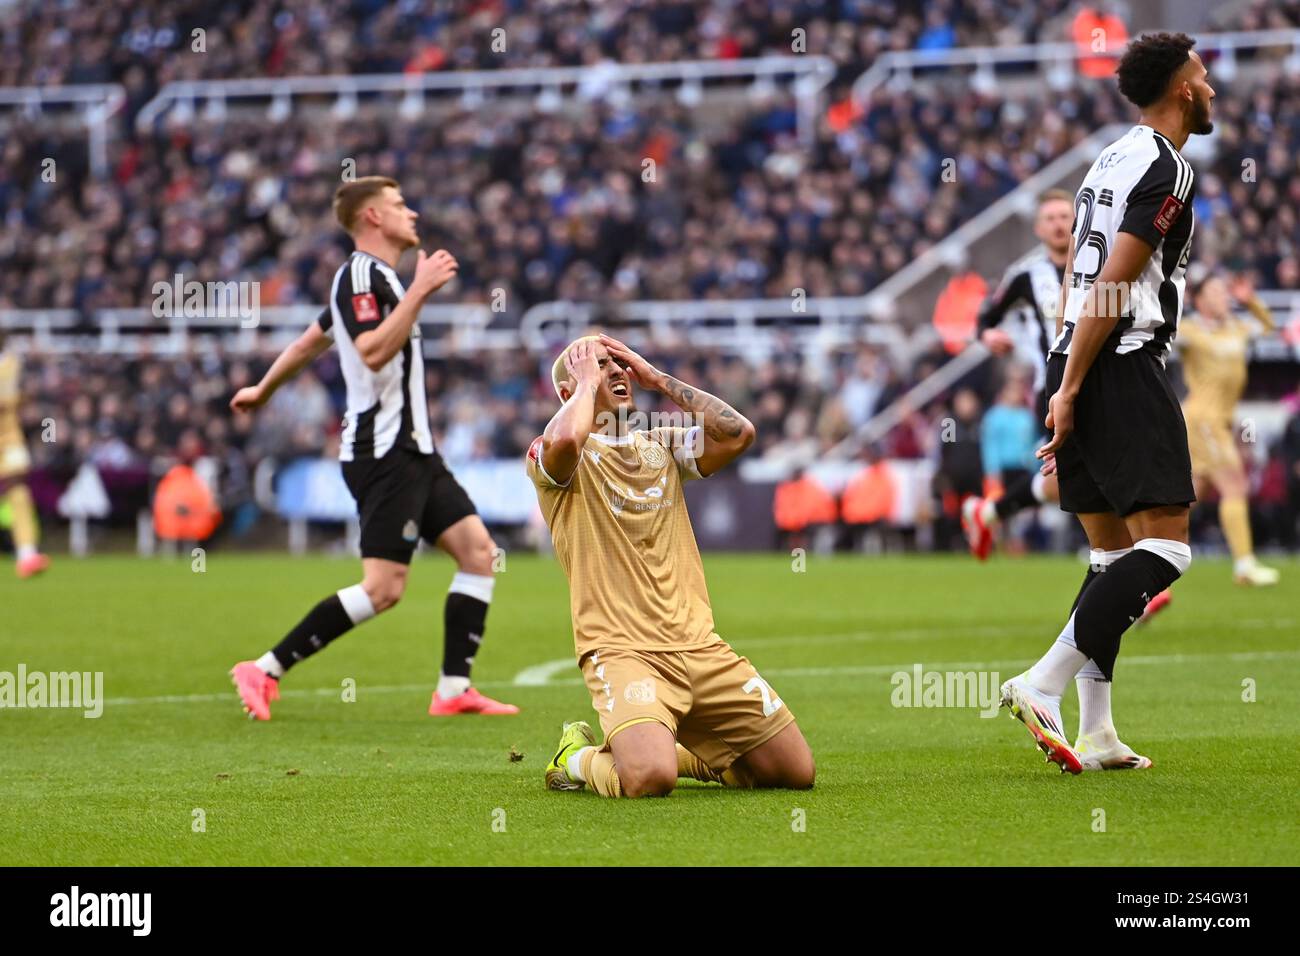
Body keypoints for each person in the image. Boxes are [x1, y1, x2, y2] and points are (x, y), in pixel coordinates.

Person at [1000, 32, 1213, 773]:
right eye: (1204, 75)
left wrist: (1061, 371)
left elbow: (1075, 278)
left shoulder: (1108, 157)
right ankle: (1041, 681)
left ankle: (1096, 732)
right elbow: (1117, 282)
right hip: (1118, 360)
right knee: (1168, 547)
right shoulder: (1169, 167)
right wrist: (1074, 382)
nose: (1212, 86)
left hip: (1076, 356)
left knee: (1108, 555)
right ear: (1182, 88)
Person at [228, 176, 517, 720]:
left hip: (416, 451)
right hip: (382, 452)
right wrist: (420, 291)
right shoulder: (360, 275)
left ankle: (454, 689)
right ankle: (263, 668)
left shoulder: (375, 279)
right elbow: (371, 352)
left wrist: (263, 389)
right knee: (384, 589)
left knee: (478, 554)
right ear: (373, 218)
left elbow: (311, 340)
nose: (411, 212)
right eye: (399, 204)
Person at [531, 333, 814, 797]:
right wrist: (583, 385)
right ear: (568, 390)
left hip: (698, 645)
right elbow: (563, 439)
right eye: (598, 365)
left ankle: (677, 750)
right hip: (622, 649)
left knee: (794, 773)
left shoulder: (659, 445)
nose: (615, 371)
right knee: (649, 779)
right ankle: (577, 758)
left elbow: (738, 434)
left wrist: (658, 379)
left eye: (617, 363)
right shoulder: (559, 457)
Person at [962, 190, 1072, 559]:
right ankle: (1131, 571)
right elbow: (987, 315)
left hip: (1099, 383)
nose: (1059, 224)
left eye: (1065, 216)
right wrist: (986, 334)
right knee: (1084, 475)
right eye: (1051, 219)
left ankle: (988, 512)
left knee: (1065, 482)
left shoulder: (1101, 267)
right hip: (1053, 389)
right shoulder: (1027, 276)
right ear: (1039, 229)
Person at [1176, 272, 1279, 586]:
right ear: (1199, 299)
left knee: (1190, 495)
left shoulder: (1236, 328)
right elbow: (1165, 337)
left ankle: (1138, 546)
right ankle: (1245, 564)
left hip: (1223, 420)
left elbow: (1268, 327)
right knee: (1235, 484)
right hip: (1201, 419)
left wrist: (1251, 301)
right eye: (1216, 291)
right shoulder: (1191, 331)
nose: (1223, 296)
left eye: (1225, 291)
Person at [0, 332, 50, 579]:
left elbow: (23, 396)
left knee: (18, 488)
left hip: (8, 438)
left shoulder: (13, 364)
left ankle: (27, 553)